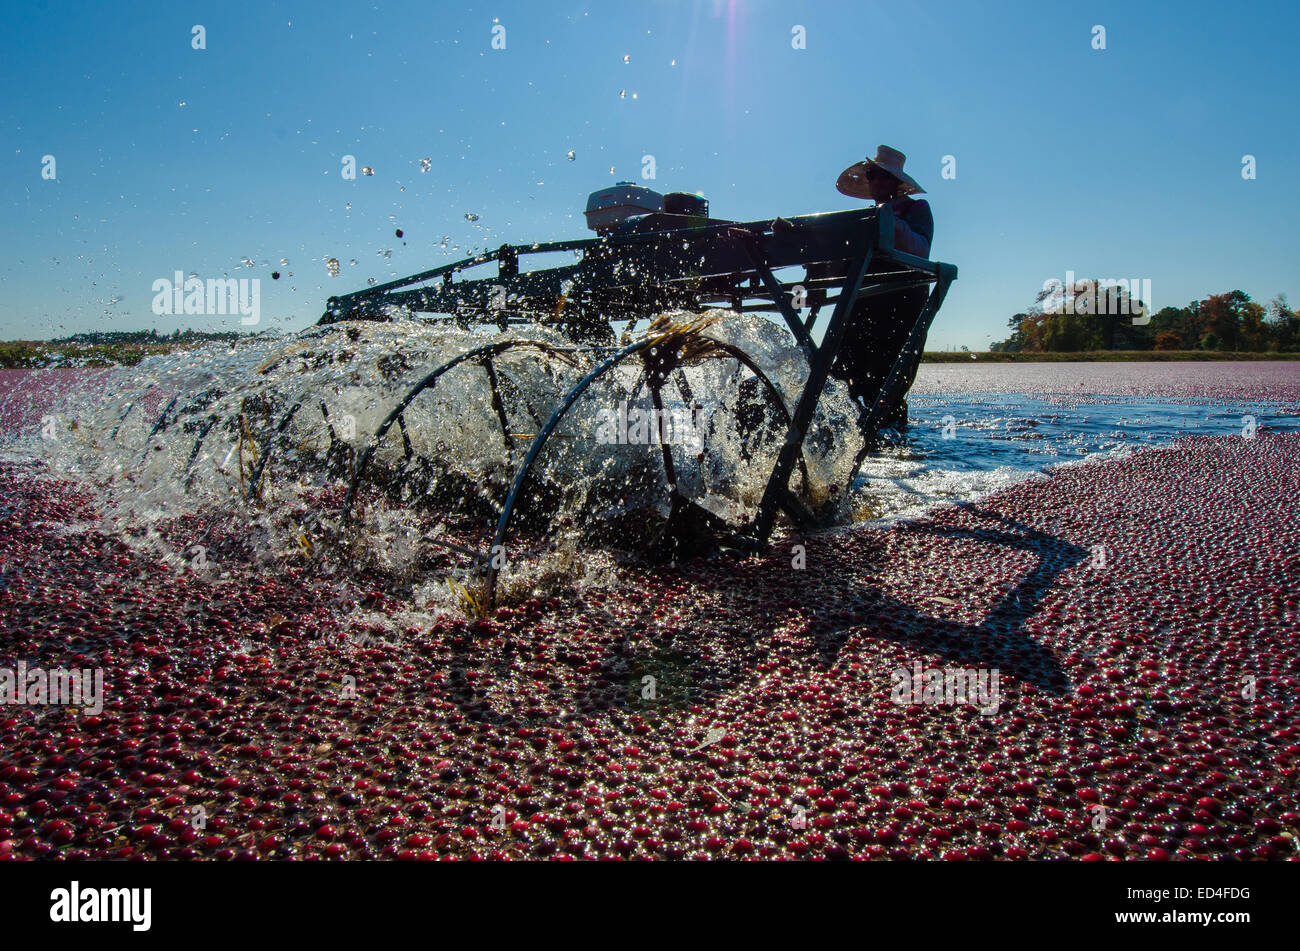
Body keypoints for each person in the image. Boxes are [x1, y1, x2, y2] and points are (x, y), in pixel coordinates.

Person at [828, 145, 934, 432]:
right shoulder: (865, 219)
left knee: (889, 383)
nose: (874, 181)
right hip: (862, 306)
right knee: (845, 376)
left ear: (896, 182)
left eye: (880, 175)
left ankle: (896, 443)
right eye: (872, 175)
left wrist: (887, 220)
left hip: (901, 306)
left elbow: (919, 248)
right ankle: (849, 440)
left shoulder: (917, 210)